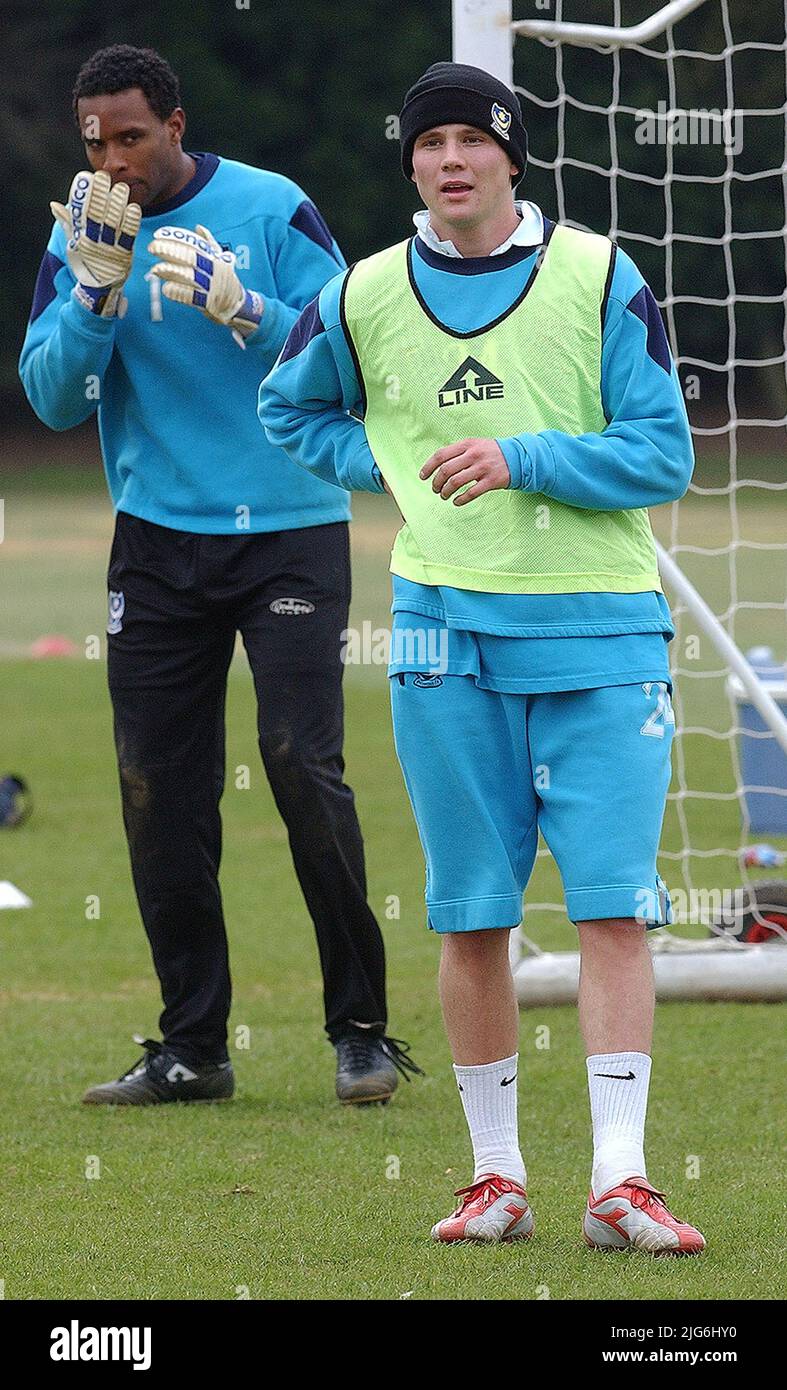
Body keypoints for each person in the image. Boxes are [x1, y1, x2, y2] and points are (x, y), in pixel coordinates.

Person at [260, 61, 706, 1252]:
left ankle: (620, 1178)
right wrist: (397, 468)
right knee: (470, 915)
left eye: (473, 138)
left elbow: (664, 454)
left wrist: (523, 458)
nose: (450, 158)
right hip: (440, 633)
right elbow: (287, 410)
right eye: (428, 141)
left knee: (613, 908)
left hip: (601, 630)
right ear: (408, 162)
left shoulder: (600, 275)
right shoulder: (360, 295)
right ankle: (492, 1177)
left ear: (511, 157)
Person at [19, 43, 421, 1108]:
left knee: (298, 762)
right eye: (95, 141)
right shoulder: (83, 230)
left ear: (177, 125)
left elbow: (356, 357)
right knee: (159, 791)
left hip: (288, 530)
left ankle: (362, 1030)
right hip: (155, 542)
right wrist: (93, 300)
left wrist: (246, 309)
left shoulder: (271, 206)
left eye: (132, 137)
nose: (113, 160)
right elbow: (54, 398)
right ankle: (193, 1047)